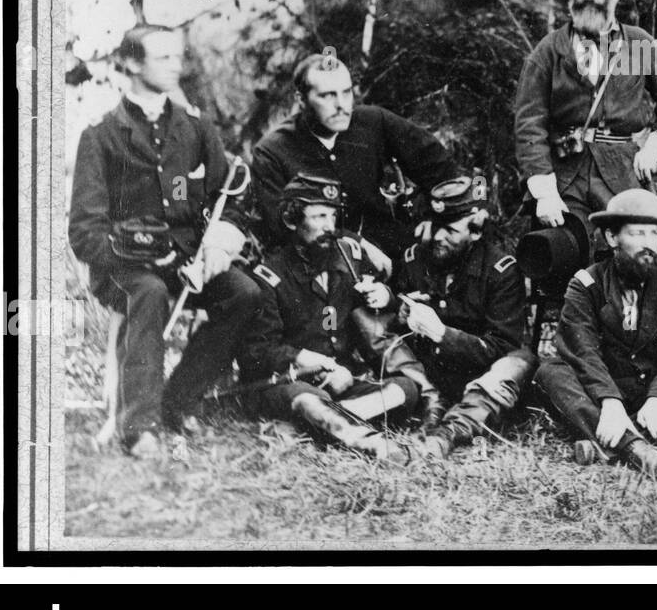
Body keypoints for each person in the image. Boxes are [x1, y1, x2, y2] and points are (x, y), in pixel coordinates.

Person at [69, 24, 265, 456]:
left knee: (244, 294)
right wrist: (138, 255)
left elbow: (230, 193)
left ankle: (177, 402)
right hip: (124, 270)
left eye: (178, 56)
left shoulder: (195, 130)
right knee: (150, 291)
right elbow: (85, 230)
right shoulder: (100, 136)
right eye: (164, 58)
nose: (177, 65)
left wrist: (217, 245)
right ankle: (141, 428)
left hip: (190, 265)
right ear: (133, 63)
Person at [513, 0, 657, 274]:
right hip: (565, 177)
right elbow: (529, 124)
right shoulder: (549, 50)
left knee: (634, 258)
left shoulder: (640, 43)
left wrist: (655, 145)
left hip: (624, 174)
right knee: (561, 253)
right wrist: (545, 191)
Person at [535, 189, 657, 476]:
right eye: (638, 234)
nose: (648, 244)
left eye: (654, 234)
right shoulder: (587, 284)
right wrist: (610, 401)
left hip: (652, 392)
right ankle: (636, 447)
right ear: (612, 237)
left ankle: (608, 442)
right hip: (602, 392)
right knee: (550, 373)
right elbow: (583, 351)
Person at [240, 174, 426, 460]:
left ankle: (313, 427)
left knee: (406, 390)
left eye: (333, 216)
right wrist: (315, 362)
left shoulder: (347, 256)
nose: (331, 227)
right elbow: (259, 352)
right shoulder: (270, 277)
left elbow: (384, 298)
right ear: (292, 220)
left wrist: (383, 294)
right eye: (319, 217)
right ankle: (367, 443)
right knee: (306, 400)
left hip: (342, 381)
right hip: (289, 383)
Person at [360, 175, 537, 460]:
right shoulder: (414, 258)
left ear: (476, 232)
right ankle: (432, 408)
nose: (439, 237)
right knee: (366, 318)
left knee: (520, 361)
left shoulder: (502, 271)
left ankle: (447, 434)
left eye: (451, 231)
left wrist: (443, 334)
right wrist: (400, 313)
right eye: (436, 227)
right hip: (426, 374)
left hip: (477, 378)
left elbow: (503, 347)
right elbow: (394, 323)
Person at [251, 53, 457, 270]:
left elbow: (435, 162)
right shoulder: (272, 151)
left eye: (346, 93)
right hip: (324, 262)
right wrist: (356, 244)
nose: (341, 105)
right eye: (327, 96)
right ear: (301, 100)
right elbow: (282, 230)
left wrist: (434, 215)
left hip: (391, 243)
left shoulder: (373, 121)